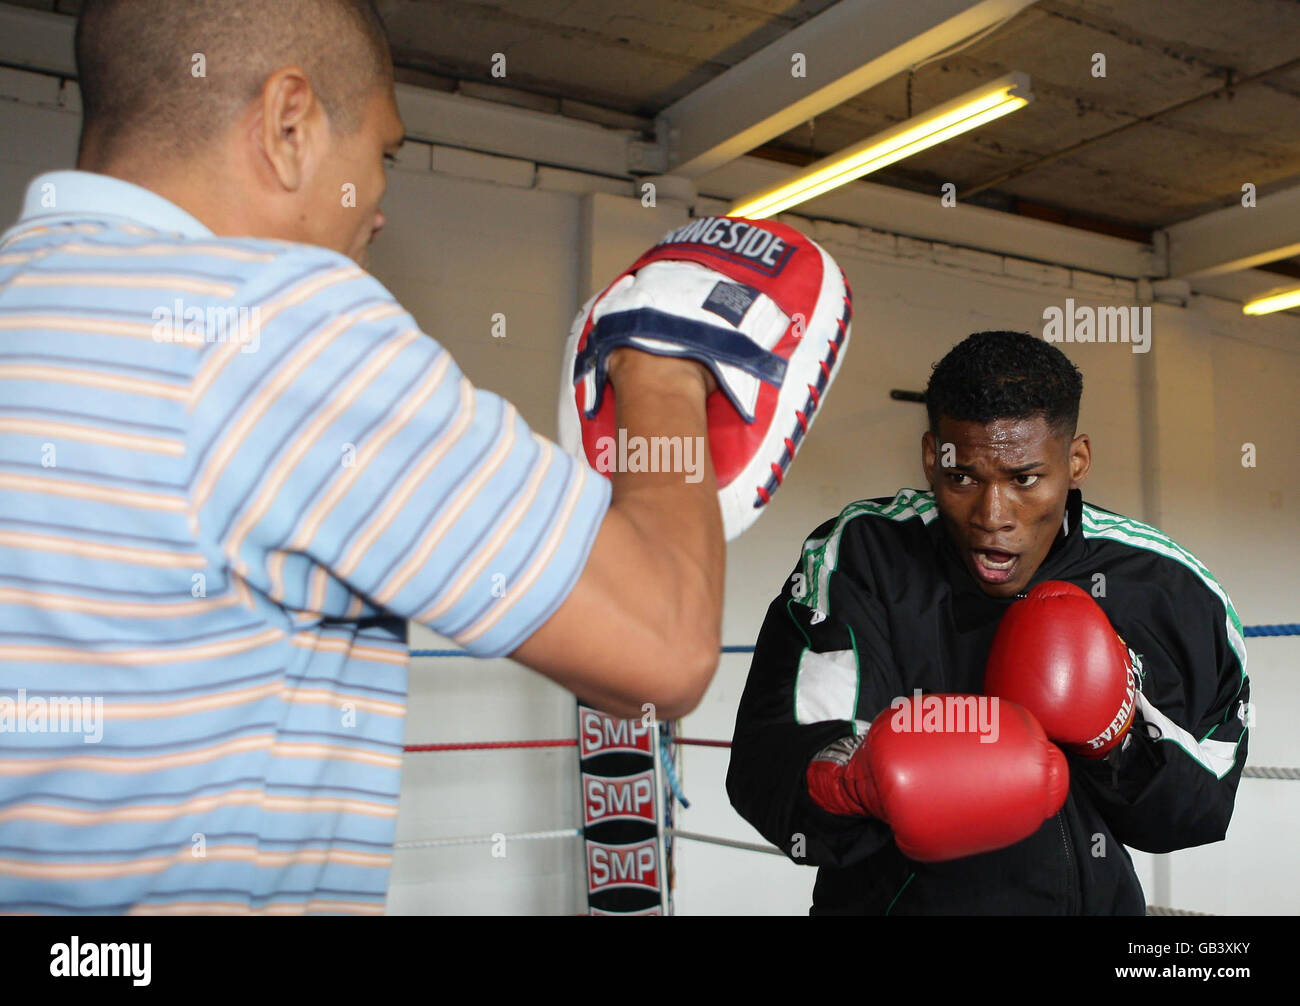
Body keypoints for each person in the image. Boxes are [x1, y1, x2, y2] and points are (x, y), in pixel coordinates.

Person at [0, 0, 727, 914]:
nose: (379, 210)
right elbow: (665, 644)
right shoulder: (278, 322)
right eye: (381, 156)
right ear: (290, 124)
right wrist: (662, 364)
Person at [726, 330, 1250, 915]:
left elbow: (1203, 806)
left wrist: (1119, 739)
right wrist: (855, 781)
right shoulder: (865, 558)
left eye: (1024, 479)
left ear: (1075, 461)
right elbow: (765, 765)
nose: (991, 517)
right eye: (963, 478)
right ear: (931, 457)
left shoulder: (1164, 584)